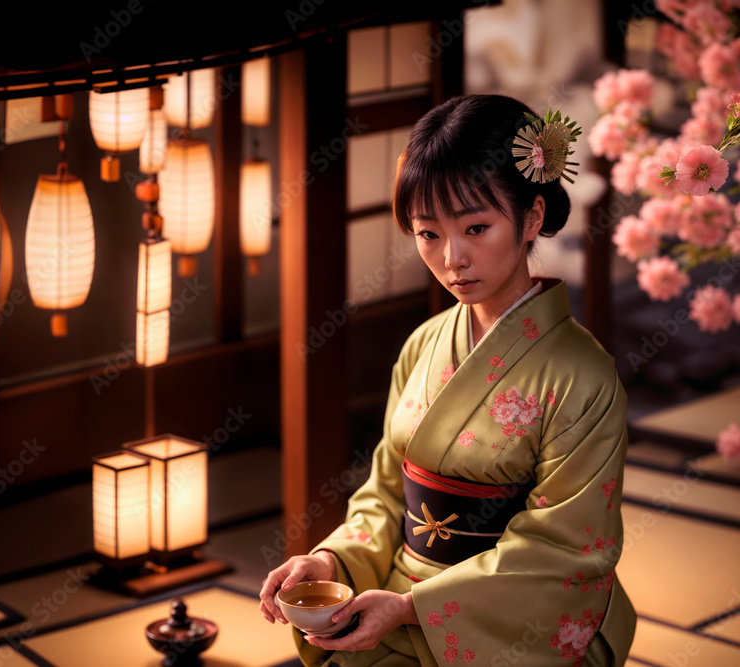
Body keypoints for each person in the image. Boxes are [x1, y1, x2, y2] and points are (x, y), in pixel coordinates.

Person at [259, 94, 636, 667]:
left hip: (501, 622)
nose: (452, 257)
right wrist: (331, 561)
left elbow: (566, 548)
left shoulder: (582, 376)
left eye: (476, 227)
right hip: (389, 595)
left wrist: (416, 607)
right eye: (428, 233)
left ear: (532, 216)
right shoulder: (423, 345)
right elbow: (386, 494)